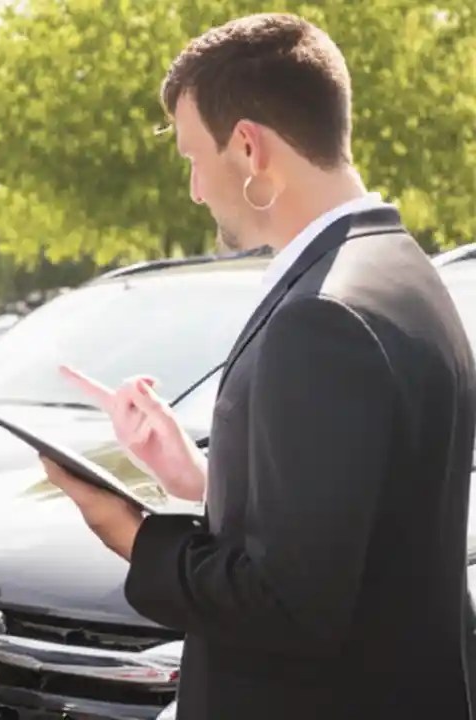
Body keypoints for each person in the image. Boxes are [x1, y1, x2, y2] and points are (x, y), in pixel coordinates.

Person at [39, 13, 476, 720]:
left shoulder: (322, 317)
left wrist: (124, 526)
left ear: (247, 147)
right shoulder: (401, 268)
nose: (194, 190)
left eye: (191, 159)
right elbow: (356, 525)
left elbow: (287, 606)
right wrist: (197, 479)